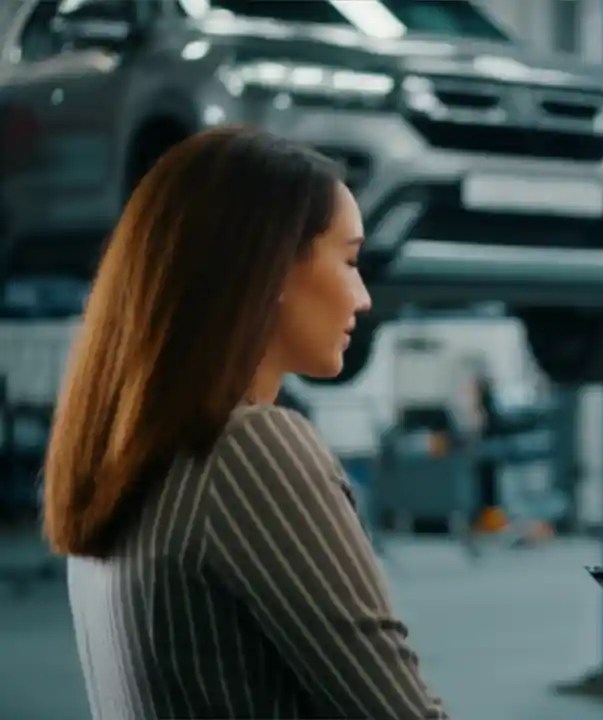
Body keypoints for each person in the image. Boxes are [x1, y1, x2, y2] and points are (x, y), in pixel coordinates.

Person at [41, 127, 450, 719]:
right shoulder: (250, 448)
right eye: (349, 260)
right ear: (274, 267)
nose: (362, 297)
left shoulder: (122, 457)